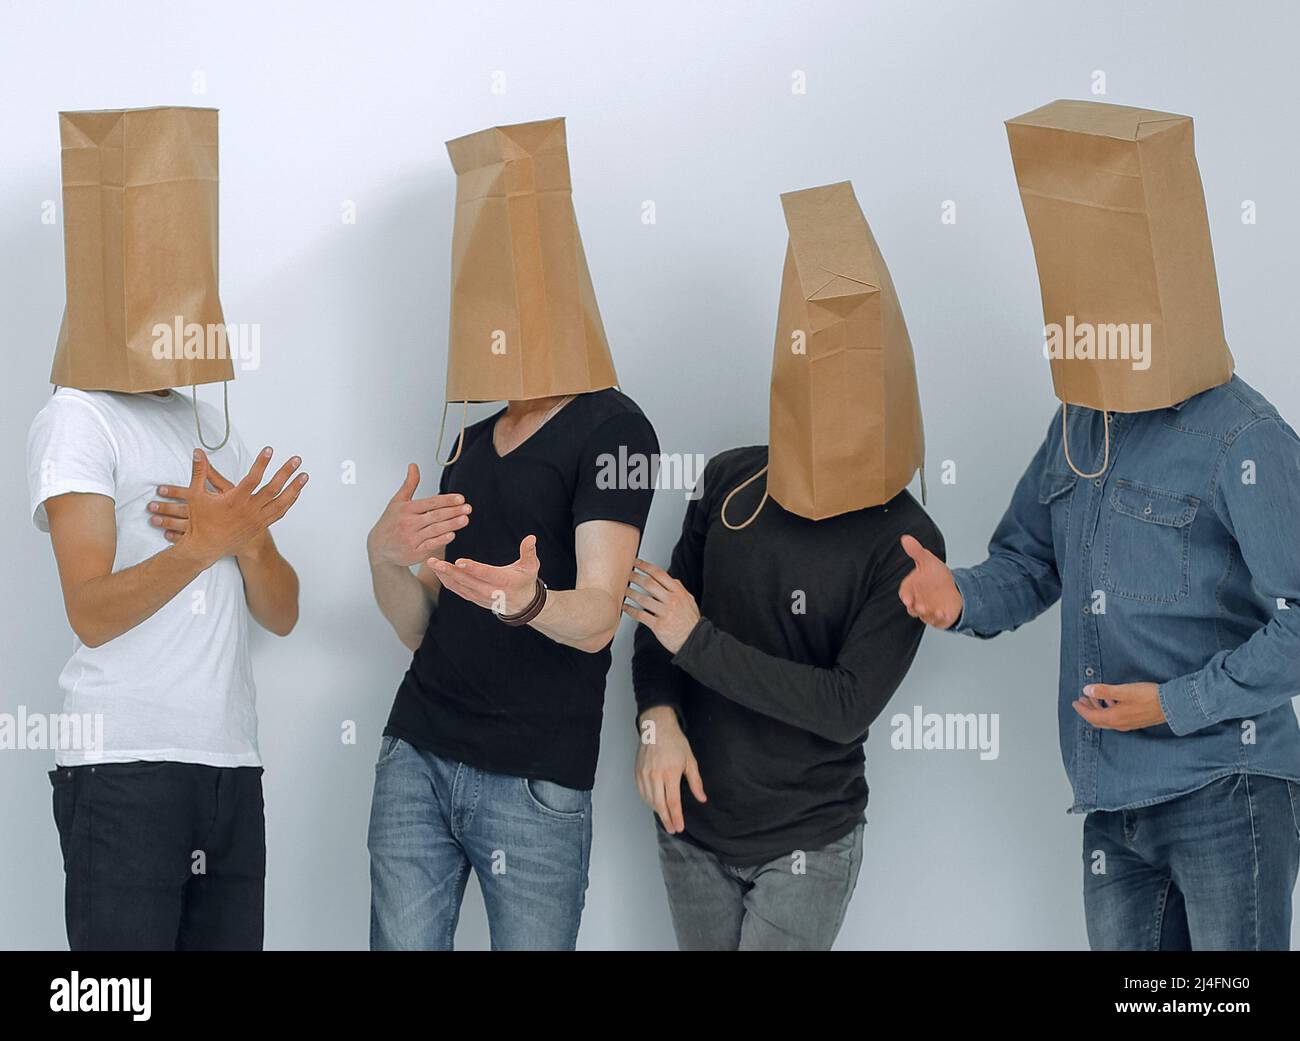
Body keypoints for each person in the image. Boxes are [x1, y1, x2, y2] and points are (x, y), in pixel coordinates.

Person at [900, 100, 1300, 950]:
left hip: (1225, 787)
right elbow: (1028, 561)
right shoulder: (1080, 422)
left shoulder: (1246, 437)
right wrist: (958, 595)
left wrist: (1176, 703)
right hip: (1111, 805)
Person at [366, 118, 658, 950]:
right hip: (416, 757)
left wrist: (529, 601)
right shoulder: (466, 439)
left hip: (534, 784)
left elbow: (599, 617)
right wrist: (384, 559)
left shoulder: (618, 431)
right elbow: (422, 626)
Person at [628, 182, 942, 950]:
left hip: (808, 846)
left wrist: (697, 640)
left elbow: (844, 704)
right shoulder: (732, 482)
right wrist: (656, 719)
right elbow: (657, 621)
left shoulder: (908, 541)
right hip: (690, 831)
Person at [29, 106, 306, 951]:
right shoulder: (77, 416)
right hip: (123, 769)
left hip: (230, 768)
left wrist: (250, 539)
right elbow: (90, 611)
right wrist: (202, 544)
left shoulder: (208, 422)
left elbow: (282, 613)